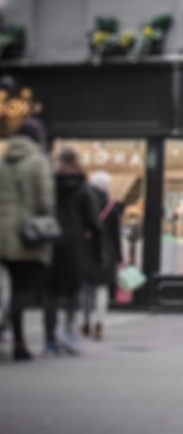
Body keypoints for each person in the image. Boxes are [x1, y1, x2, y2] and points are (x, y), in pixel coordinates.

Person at [0, 119, 55, 361]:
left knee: (7, 285)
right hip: (26, 235)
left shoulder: (2, 162)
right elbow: (46, 201)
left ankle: (8, 334)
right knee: (26, 289)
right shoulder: (38, 161)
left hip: (2, 233)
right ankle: (19, 344)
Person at [45, 147, 104, 355]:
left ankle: (49, 339)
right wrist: (98, 253)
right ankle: (69, 331)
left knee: (50, 293)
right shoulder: (84, 187)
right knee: (73, 291)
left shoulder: (50, 184)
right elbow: (94, 224)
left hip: (51, 242)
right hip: (76, 244)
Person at [85, 171, 123, 341]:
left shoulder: (86, 203)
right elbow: (116, 234)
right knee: (102, 289)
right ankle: (99, 324)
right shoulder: (111, 207)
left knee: (86, 288)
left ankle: (86, 322)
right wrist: (119, 258)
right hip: (107, 250)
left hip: (88, 247)